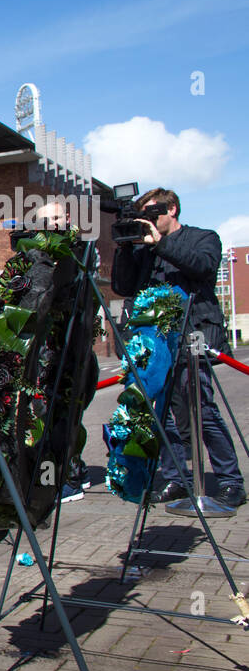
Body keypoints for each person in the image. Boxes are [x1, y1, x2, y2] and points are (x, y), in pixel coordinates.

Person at [111, 187, 245, 507]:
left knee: (202, 410)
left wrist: (162, 244)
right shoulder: (143, 250)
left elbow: (202, 267)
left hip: (193, 336)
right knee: (162, 415)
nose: (150, 219)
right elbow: (122, 286)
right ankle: (176, 479)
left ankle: (230, 480)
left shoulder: (203, 237)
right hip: (156, 342)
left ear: (172, 210)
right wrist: (126, 248)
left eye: (154, 212)